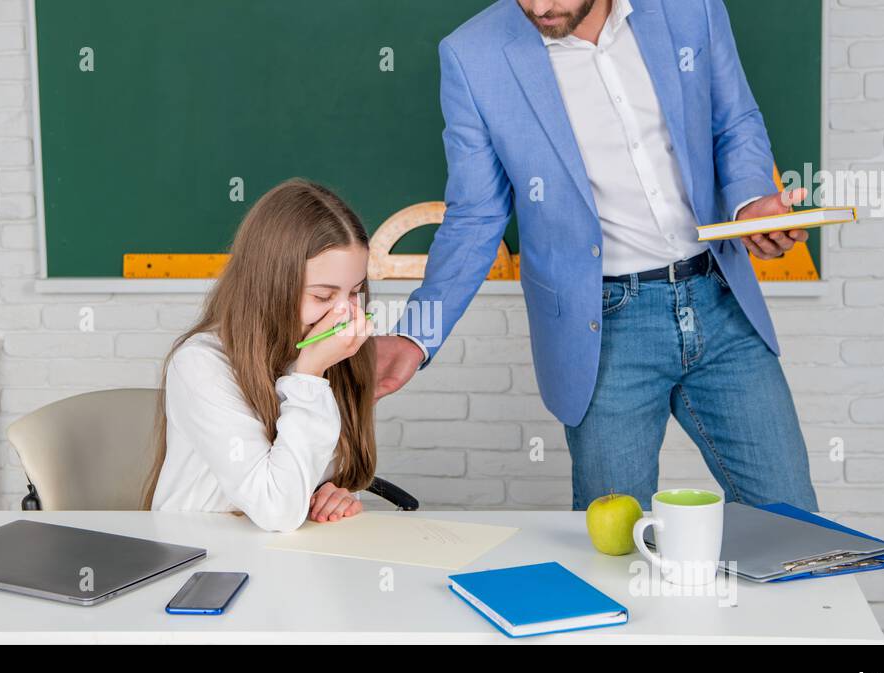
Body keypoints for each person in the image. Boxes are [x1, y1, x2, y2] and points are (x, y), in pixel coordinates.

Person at [374, 0, 819, 512]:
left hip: (720, 301)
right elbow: (476, 215)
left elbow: (733, 120)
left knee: (794, 526)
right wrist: (416, 332)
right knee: (614, 546)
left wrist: (748, 203)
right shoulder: (473, 56)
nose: (539, 7)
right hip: (603, 329)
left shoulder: (690, 8)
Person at [143, 179, 377, 531]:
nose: (344, 314)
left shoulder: (330, 352)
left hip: (286, 555)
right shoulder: (199, 365)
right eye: (323, 297)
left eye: (355, 292)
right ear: (270, 287)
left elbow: (311, 478)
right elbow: (277, 509)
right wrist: (309, 376)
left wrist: (336, 494)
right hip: (203, 553)